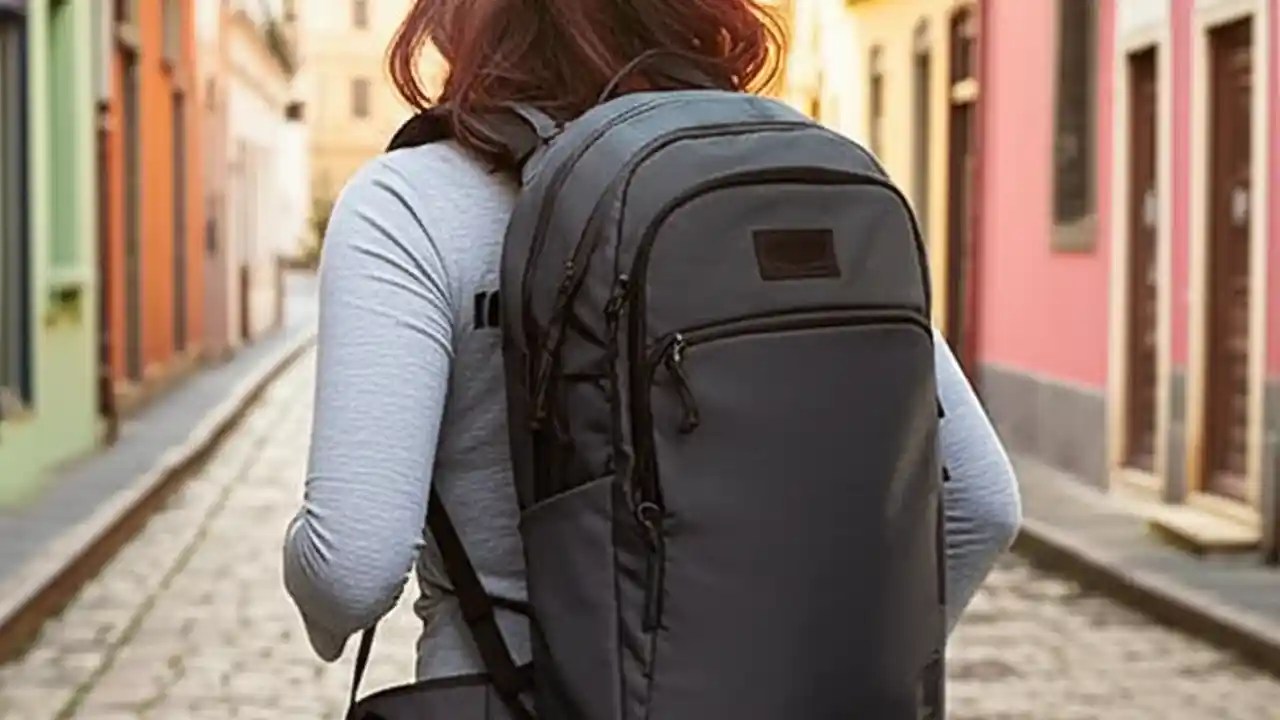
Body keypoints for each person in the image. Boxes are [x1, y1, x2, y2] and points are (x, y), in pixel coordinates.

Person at [283, 0, 1022, 692]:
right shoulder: (797, 178)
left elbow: (353, 566)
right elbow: (981, 504)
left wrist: (314, 600)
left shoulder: (410, 205)